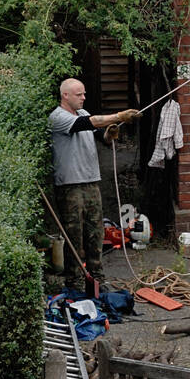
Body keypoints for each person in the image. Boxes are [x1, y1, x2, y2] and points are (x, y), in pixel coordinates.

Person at [49, 78, 140, 287]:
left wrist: (111, 132)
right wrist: (118, 115)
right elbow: (87, 124)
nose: (84, 97)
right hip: (70, 185)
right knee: (74, 234)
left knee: (95, 232)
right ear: (65, 95)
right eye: (79, 94)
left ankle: (97, 279)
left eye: (84, 94)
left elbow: (102, 136)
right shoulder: (58, 117)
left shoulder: (82, 113)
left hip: (91, 181)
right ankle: (75, 281)